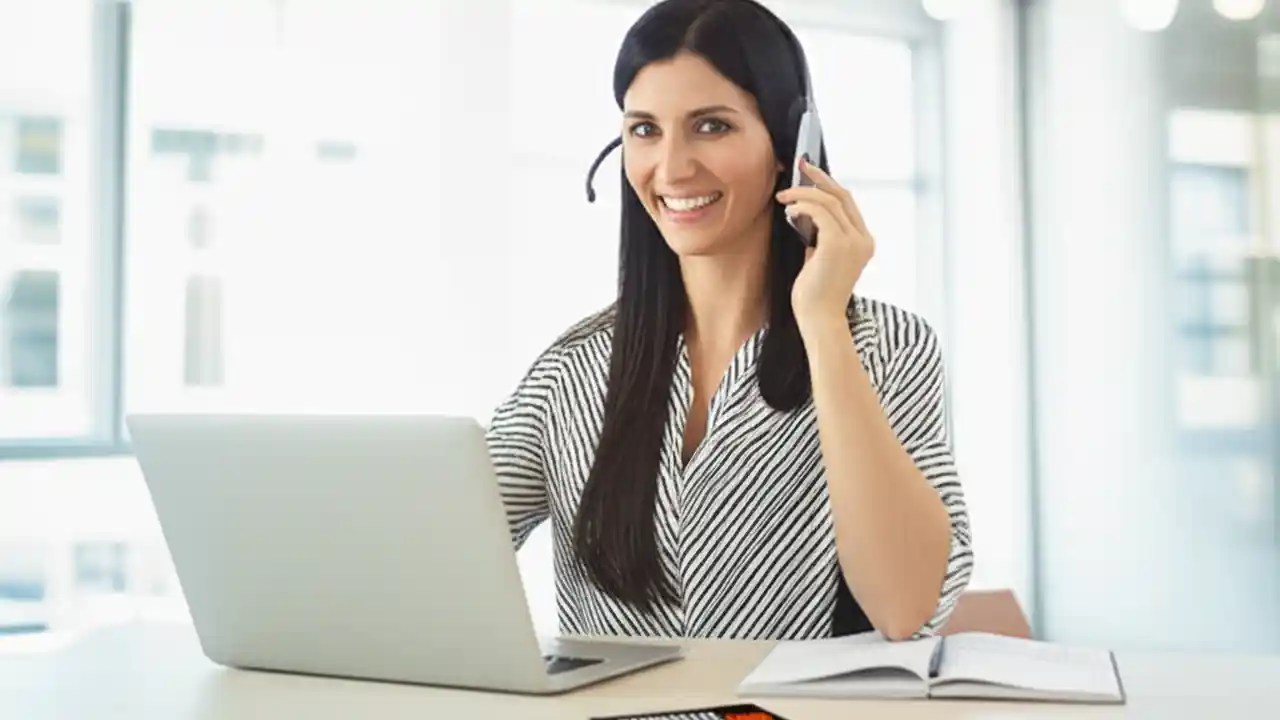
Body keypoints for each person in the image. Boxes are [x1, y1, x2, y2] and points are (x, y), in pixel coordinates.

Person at [485, 0, 972, 641]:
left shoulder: (886, 347)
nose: (673, 168)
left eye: (711, 126)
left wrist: (823, 322)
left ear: (788, 149)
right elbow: (431, 545)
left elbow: (906, 606)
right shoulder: (573, 368)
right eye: (645, 130)